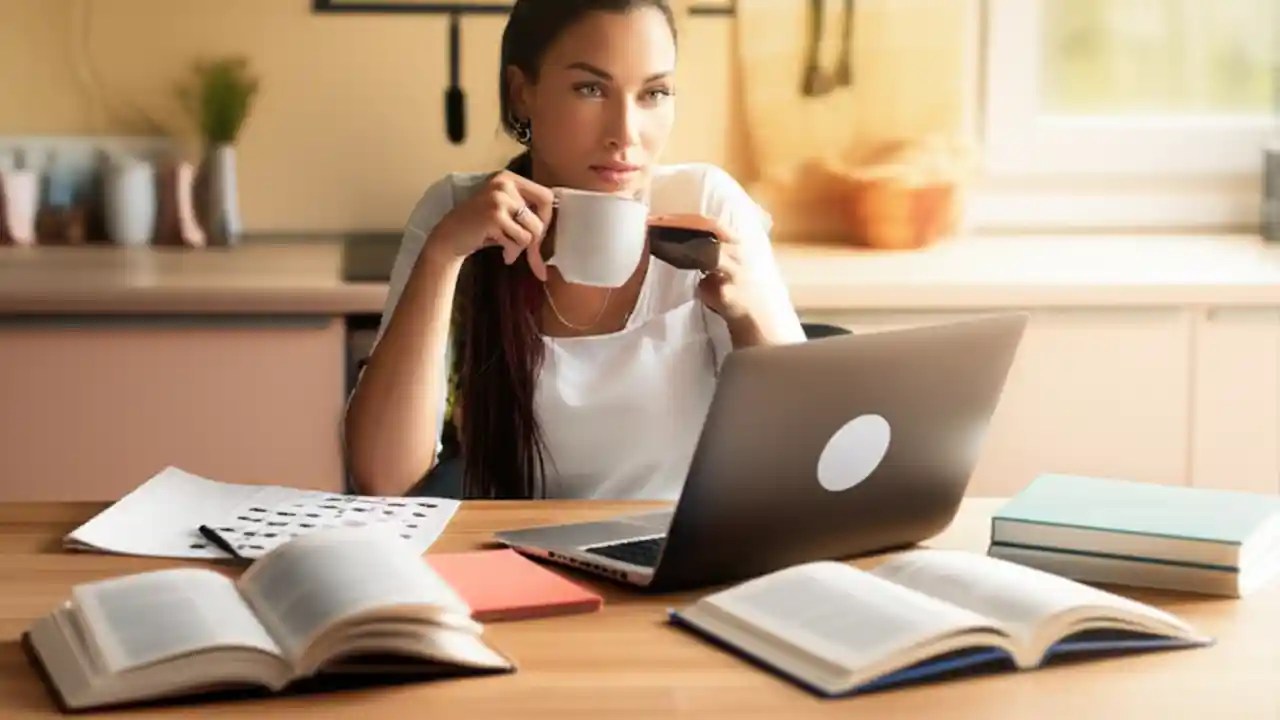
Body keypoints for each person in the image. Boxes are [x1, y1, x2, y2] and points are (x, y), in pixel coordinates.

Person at [343, 0, 806, 500]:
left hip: (673, 557)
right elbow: (383, 478)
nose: (625, 134)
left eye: (654, 93)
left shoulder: (708, 206)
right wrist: (443, 258)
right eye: (591, 89)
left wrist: (748, 315)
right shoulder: (457, 213)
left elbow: (805, 461)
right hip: (505, 558)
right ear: (523, 94)